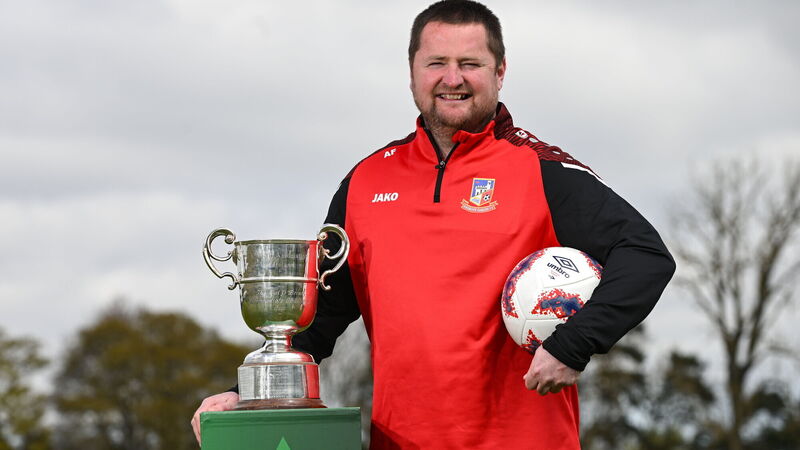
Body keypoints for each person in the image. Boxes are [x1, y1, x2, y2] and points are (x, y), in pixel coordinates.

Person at [192, 1, 675, 448]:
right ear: (412, 75)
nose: (453, 79)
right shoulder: (366, 181)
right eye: (436, 63)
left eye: (471, 64)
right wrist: (247, 392)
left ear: (500, 72)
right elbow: (319, 319)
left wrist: (574, 344)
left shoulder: (542, 171)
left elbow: (645, 255)